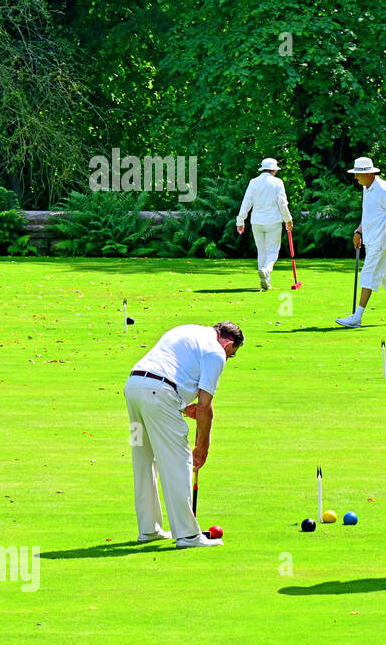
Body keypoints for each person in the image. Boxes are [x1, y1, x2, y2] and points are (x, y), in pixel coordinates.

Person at [124, 321, 244, 548]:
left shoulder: (188, 330)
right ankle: (188, 535)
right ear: (228, 344)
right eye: (232, 355)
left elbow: (174, 369)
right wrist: (202, 448)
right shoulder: (216, 351)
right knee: (180, 461)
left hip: (133, 387)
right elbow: (206, 406)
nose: (227, 360)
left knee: (144, 461)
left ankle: (149, 530)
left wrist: (179, 404)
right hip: (157, 392)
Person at [335, 156, 386, 327]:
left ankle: (357, 317)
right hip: (372, 240)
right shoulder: (367, 187)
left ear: (369, 173)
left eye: (358, 174)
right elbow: (370, 215)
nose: (356, 178)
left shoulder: (382, 188)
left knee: (368, 274)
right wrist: (358, 230)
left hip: (381, 241)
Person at [236, 157, 293, 291]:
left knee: (262, 251)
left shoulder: (253, 182)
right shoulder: (277, 182)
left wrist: (240, 220)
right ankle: (266, 270)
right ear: (274, 170)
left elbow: (246, 202)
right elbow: (282, 203)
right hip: (273, 221)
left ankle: (266, 281)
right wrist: (288, 220)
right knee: (273, 251)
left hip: (257, 222)